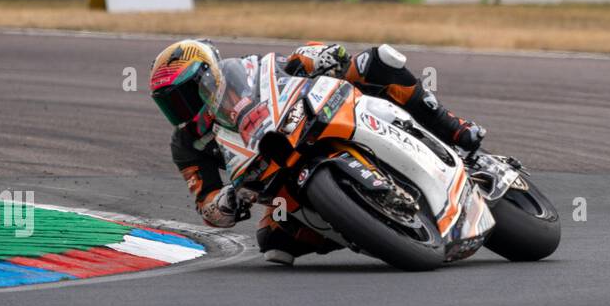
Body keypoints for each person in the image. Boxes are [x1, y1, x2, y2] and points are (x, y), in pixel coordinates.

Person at [148, 38, 486, 264]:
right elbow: (205, 201)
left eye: (185, 96)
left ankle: (453, 127)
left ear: (210, 75)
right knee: (273, 242)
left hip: (312, 116)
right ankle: (361, 222)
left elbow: (294, 60)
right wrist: (224, 203)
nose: (182, 111)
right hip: (274, 175)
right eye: (170, 105)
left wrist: (321, 54)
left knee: (377, 61)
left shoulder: (249, 69)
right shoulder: (187, 143)